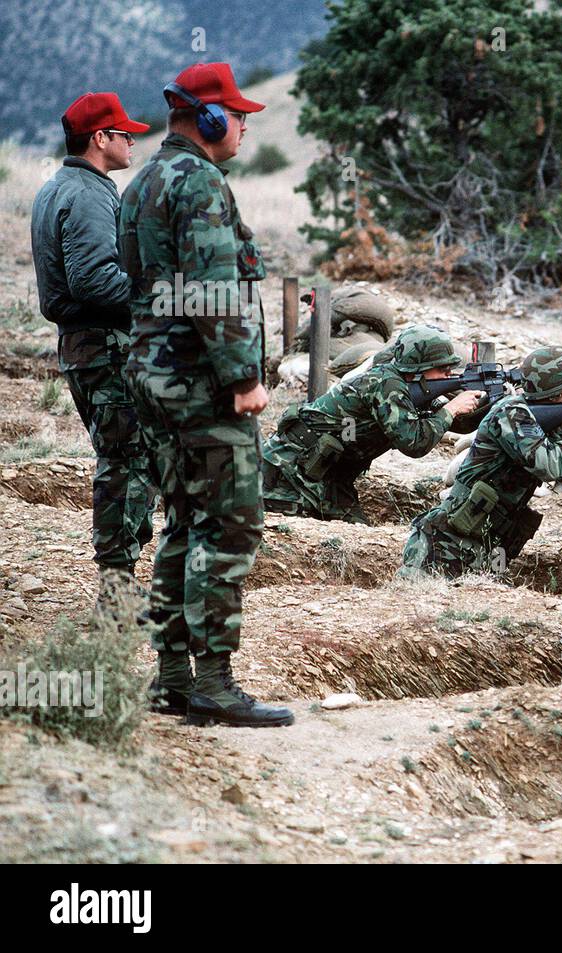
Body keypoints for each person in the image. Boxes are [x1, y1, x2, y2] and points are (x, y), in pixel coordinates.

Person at [119, 62, 290, 727]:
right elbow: (214, 290)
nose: (245, 128)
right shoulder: (202, 185)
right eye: (239, 117)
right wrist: (244, 378)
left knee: (182, 519)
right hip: (200, 385)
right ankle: (214, 684)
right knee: (230, 521)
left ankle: (171, 677)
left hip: (154, 379)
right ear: (210, 118)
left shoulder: (143, 184)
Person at [30, 93, 157, 598]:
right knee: (128, 461)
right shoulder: (86, 193)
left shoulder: (63, 186)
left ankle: (118, 585)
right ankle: (117, 592)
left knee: (124, 457)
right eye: (124, 133)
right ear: (99, 138)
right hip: (105, 348)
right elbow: (94, 282)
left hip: (86, 346)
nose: (132, 140)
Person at [400, 345, 562, 577]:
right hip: (447, 544)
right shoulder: (511, 413)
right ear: (556, 390)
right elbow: (549, 465)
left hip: (490, 544)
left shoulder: (552, 420)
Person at [262, 326, 485, 522]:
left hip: (331, 475)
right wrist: (452, 407)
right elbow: (415, 443)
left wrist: (490, 401)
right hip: (290, 471)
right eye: (443, 369)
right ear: (419, 368)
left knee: (354, 532)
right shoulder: (386, 385)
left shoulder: (410, 388)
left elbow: (460, 425)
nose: (449, 374)